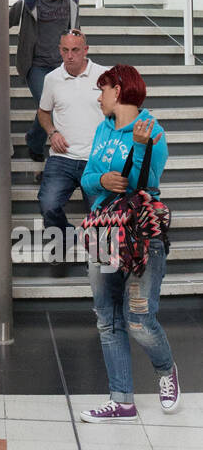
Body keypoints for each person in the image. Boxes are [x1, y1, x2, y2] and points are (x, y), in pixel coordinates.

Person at [79, 64, 178, 422]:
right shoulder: (102, 130)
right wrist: (102, 178)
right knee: (107, 319)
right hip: (104, 233)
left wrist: (138, 148)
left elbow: (144, 184)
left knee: (139, 320)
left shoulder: (153, 130)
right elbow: (88, 179)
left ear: (118, 90)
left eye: (103, 89)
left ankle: (165, 370)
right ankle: (122, 400)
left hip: (139, 237)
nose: (100, 96)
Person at [36, 30, 106, 272]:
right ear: (59, 51)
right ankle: (64, 238)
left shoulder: (104, 76)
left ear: (85, 50)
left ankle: (100, 263)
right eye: (65, 50)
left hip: (96, 160)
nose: (69, 55)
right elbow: (43, 111)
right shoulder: (52, 79)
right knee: (48, 203)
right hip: (63, 158)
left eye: (75, 50)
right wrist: (52, 132)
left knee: (100, 213)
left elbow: (119, 113)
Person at [9, 0, 79, 161]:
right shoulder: (27, 3)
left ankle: (34, 140)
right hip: (36, 65)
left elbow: (76, 31)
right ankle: (36, 142)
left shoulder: (71, 3)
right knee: (47, 104)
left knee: (56, 104)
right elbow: (1, 23)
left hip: (61, 64)